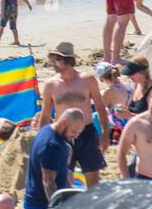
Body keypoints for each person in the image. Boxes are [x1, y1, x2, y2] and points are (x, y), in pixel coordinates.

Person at [38, 41, 110, 187]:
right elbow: (45, 115)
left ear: (68, 60)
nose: (53, 63)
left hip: (87, 133)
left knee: (93, 179)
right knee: (63, 178)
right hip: (63, 136)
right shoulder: (51, 85)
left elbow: (101, 107)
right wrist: (41, 140)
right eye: (53, 59)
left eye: (57, 59)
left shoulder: (87, 80)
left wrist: (105, 134)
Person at [24, 108, 84, 209]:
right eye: (74, 131)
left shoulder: (46, 130)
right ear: (64, 122)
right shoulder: (52, 145)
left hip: (36, 202)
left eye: (78, 133)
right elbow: (48, 182)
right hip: (41, 206)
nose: (75, 136)